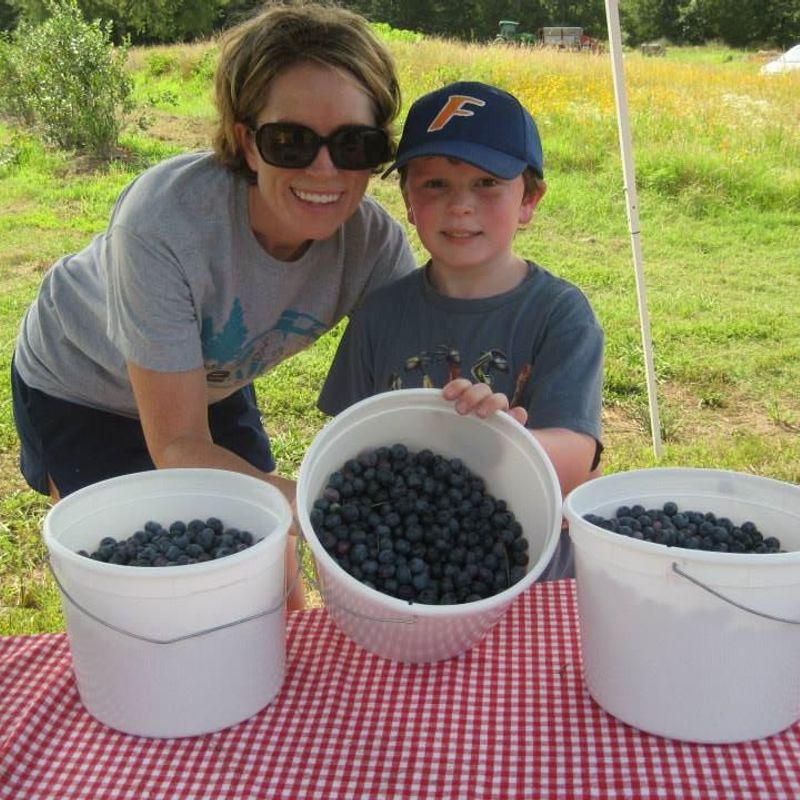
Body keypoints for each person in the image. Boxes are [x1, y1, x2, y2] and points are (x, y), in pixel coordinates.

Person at [10, 3, 416, 606]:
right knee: (142, 586)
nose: (325, 169)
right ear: (246, 142)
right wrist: (325, 509)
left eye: (355, 144)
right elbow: (177, 445)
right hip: (81, 386)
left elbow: (409, 391)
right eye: (290, 140)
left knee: (271, 575)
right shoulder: (166, 223)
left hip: (211, 384)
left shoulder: (374, 245)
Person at [318, 81, 604, 580]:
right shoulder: (379, 314)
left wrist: (508, 442)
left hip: (524, 568)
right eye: (435, 185)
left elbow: (576, 455)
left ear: (529, 199)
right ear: (408, 200)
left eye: (487, 182)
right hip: (401, 568)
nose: (460, 206)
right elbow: (345, 444)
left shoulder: (559, 314)